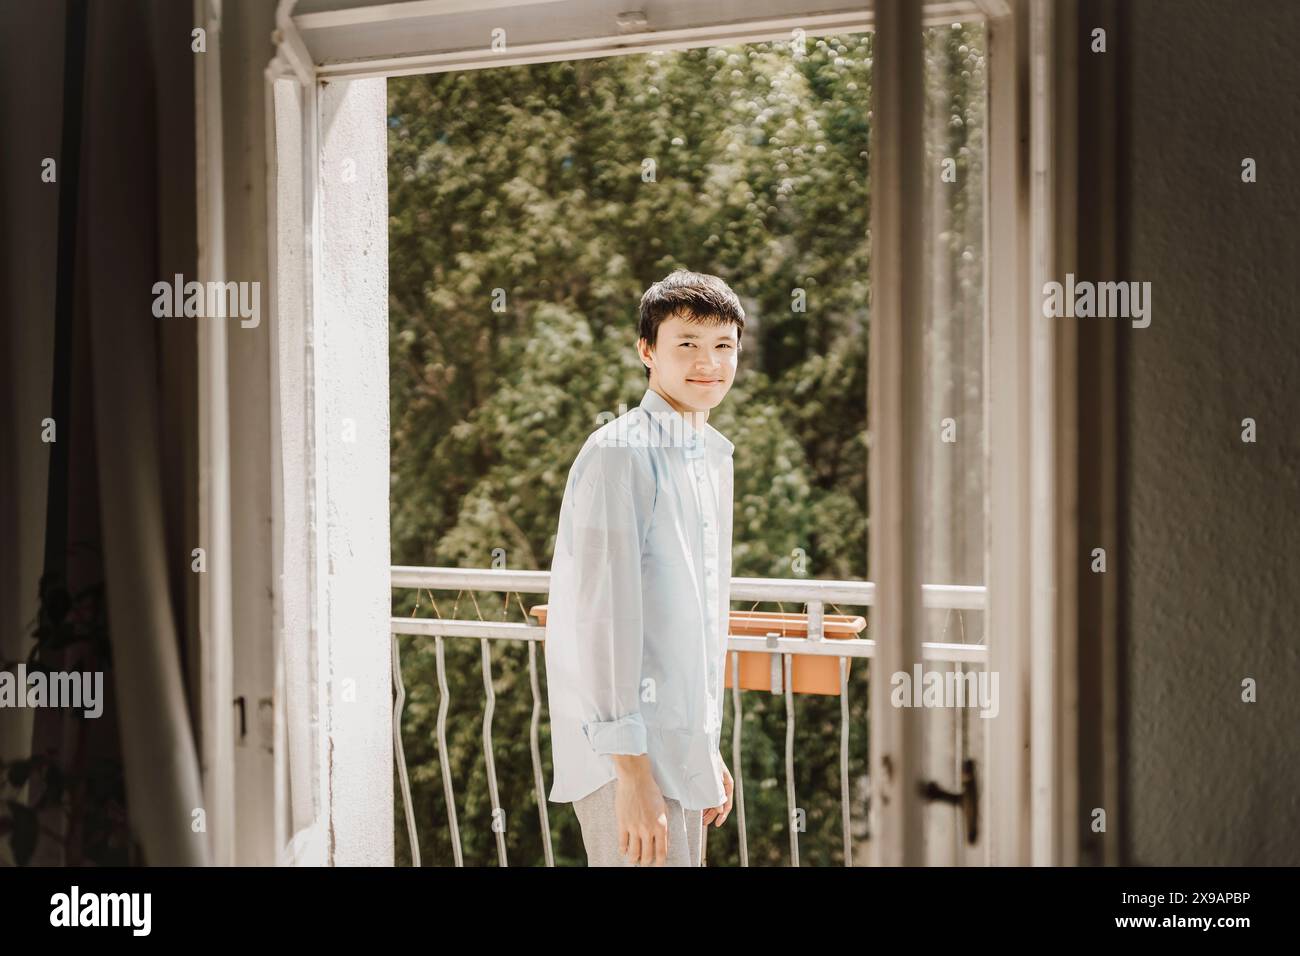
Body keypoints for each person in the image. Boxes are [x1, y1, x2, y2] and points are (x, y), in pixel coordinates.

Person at [544, 269, 745, 866]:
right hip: (626, 759)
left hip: (679, 751)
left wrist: (706, 744)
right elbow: (603, 620)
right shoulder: (620, 453)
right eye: (686, 344)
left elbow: (689, 626)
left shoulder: (710, 457)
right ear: (647, 351)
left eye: (723, 346)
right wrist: (631, 774)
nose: (708, 362)